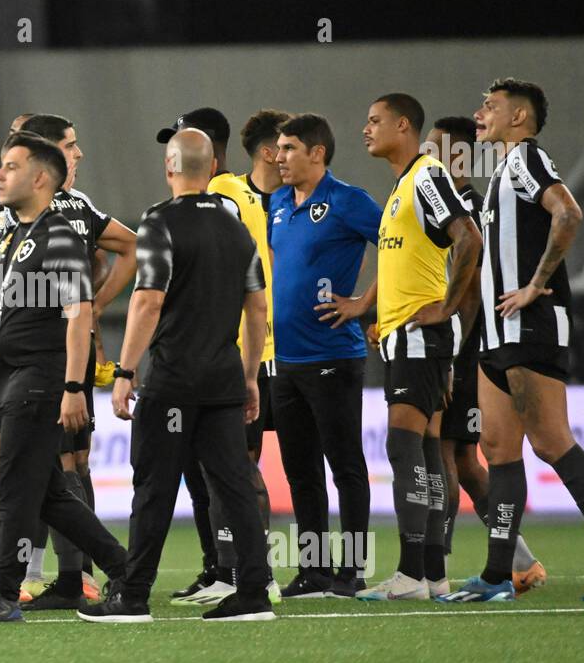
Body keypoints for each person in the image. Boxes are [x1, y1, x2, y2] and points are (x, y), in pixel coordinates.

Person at [443, 79, 584, 602]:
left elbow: (569, 212)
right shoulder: (504, 172)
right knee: (498, 449)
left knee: (552, 442)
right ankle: (495, 577)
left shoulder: (529, 159)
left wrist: (537, 284)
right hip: (496, 333)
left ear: (519, 117)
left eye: (490, 106)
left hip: (530, 328)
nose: (478, 113)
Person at [0, 113, 137, 606]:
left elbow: (79, 312)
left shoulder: (60, 234)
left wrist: (73, 388)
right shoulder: (14, 236)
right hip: (6, 372)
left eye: (10, 167)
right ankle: (124, 569)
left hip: (38, 375)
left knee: (16, 486)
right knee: (46, 491)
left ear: (39, 178)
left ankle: (1, 594)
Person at [79, 128, 273, 623]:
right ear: (211, 169)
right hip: (225, 378)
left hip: (173, 380)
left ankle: (134, 596)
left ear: (169, 168)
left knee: (155, 487)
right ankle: (252, 593)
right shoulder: (236, 224)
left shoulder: (158, 222)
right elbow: (256, 308)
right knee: (234, 486)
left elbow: (147, 300)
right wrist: (249, 376)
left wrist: (125, 371)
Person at [153, 107, 284, 608]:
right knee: (217, 469)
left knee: (235, 468)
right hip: (228, 353)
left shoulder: (223, 198)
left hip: (227, 356)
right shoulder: (233, 197)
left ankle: (250, 572)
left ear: (209, 153)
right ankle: (223, 568)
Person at [356, 94, 481, 601]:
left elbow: (467, 237)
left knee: (404, 447)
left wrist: (447, 308)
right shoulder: (403, 186)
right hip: (408, 338)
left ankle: (409, 573)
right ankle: (431, 574)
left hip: (419, 337)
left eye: (374, 120)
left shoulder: (426, 175)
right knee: (427, 452)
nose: (366, 129)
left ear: (403, 125)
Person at [425, 116, 545, 592]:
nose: (426, 155)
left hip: (466, 351)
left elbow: (471, 288)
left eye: (435, 148)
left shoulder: (467, 209)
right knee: (466, 462)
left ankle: (436, 567)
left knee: (443, 454)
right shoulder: (462, 204)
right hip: (471, 349)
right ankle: (522, 561)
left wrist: (454, 352)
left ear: (457, 155)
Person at [269, 114, 381, 598]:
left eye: (289, 148)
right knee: (301, 471)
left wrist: (364, 303)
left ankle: (352, 571)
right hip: (285, 359)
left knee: (345, 465)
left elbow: (399, 247)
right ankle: (314, 571)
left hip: (333, 355)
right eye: (277, 148)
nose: (279, 158)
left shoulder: (348, 200)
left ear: (318, 153)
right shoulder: (277, 203)